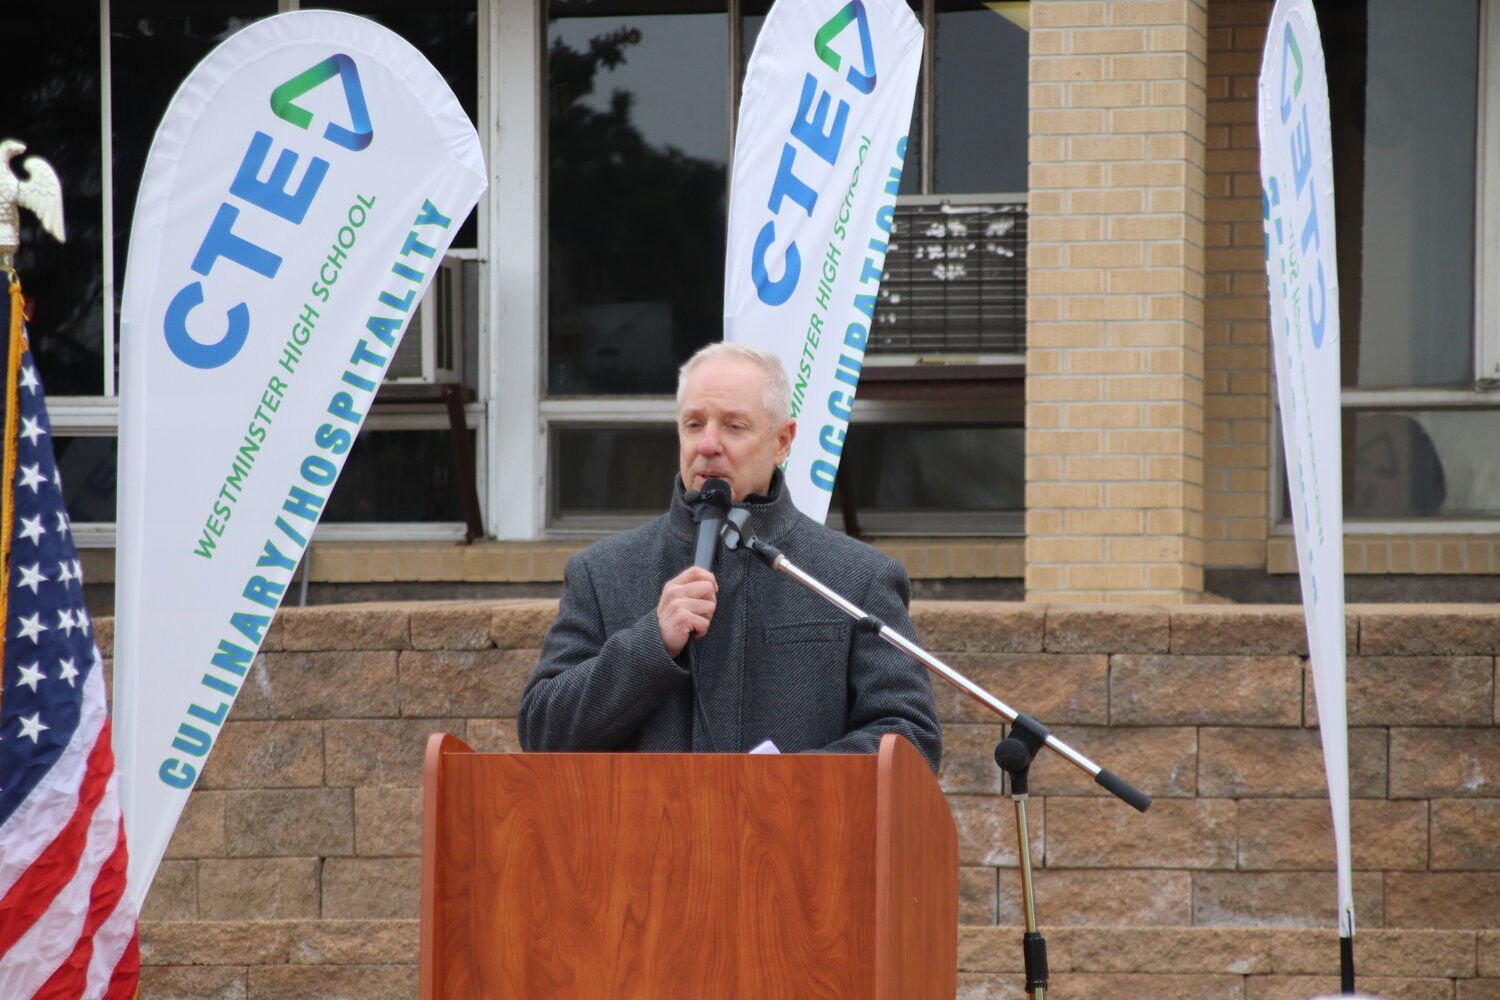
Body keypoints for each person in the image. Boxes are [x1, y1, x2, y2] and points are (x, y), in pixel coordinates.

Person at [518, 342, 942, 772]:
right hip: (643, 836)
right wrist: (651, 644)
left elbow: (909, 737)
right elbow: (541, 731)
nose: (708, 445)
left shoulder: (855, 577)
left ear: (782, 442)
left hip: (794, 835)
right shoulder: (604, 572)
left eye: (734, 426)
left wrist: (783, 785)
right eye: (694, 424)